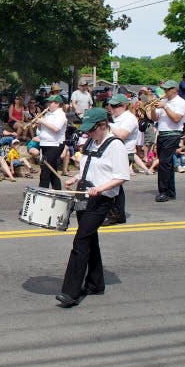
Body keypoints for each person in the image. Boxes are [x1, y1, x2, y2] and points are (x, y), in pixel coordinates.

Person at [56, 108, 130, 308]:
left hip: (101, 200)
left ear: (103, 125)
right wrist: (75, 178)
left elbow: (122, 176)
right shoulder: (91, 141)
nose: (88, 133)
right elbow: (88, 168)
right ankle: (96, 283)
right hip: (84, 195)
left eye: (92, 129)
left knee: (80, 242)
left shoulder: (115, 145)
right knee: (90, 240)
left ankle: (70, 292)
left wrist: (100, 189)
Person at [150, 80, 185, 202]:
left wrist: (165, 107)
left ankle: (164, 191)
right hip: (162, 134)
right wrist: (152, 108)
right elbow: (155, 118)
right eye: (164, 89)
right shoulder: (164, 101)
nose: (165, 91)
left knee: (164, 163)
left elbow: (176, 118)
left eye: (167, 89)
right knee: (168, 164)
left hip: (173, 134)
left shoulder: (180, 102)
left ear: (175, 90)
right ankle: (171, 191)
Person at [105, 94, 138, 225]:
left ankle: (116, 214)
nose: (112, 108)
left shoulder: (129, 118)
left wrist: (107, 124)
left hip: (124, 152)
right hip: (112, 151)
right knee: (111, 182)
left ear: (124, 106)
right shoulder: (115, 117)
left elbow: (122, 135)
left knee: (114, 183)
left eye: (115, 106)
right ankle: (116, 213)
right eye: (111, 106)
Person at [36, 94, 67, 190]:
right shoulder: (47, 114)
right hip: (45, 143)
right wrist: (38, 123)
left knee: (45, 171)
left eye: (50, 102)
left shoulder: (60, 114)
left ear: (57, 104)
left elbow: (56, 128)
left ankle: (42, 192)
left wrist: (42, 121)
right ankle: (57, 191)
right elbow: (40, 129)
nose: (48, 104)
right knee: (52, 170)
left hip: (55, 144)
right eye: (48, 102)